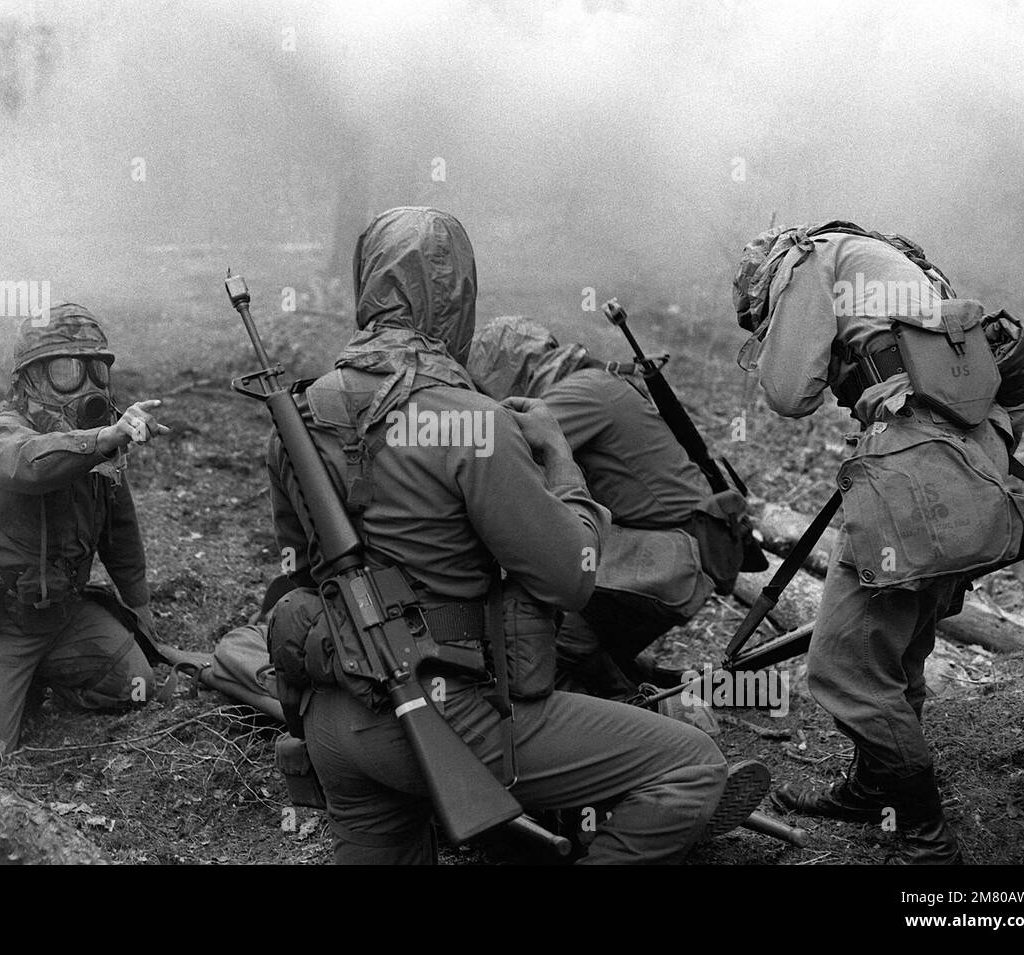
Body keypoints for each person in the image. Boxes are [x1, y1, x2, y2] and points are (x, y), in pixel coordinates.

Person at [267, 206, 767, 865]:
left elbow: (296, 571)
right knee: (692, 766)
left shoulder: (296, 419)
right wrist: (560, 459)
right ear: (457, 298)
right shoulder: (474, 422)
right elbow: (571, 573)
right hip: (453, 719)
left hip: (338, 726)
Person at [732, 222, 1024, 863]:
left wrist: (784, 337)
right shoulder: (898, 265)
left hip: (913, 466)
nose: (762, 327)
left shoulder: (810, 260)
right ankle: (875, 791)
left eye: (760, 319)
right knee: (899, 651)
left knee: (841, 667)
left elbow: (789, 391)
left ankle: (927, 841)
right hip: (968, 463)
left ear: (767, 278)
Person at [0, 303, 171, 756]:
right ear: (31, 378)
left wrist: (140, 605)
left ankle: (34, 676)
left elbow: (120, 530)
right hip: (1, 623)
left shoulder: (94, 440)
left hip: (61, 613)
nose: (87, 386)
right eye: (68, 370)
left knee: (133, 685)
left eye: (96, 370)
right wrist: (102, 441)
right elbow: (33, 463)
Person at [466, 316, 744, 701]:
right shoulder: (591, 384)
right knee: (565, 610)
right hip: (676, 553)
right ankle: (649, 683)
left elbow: (500, 457)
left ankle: (652, 720)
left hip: (675, 558)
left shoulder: (578, 393)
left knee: (545, 647)